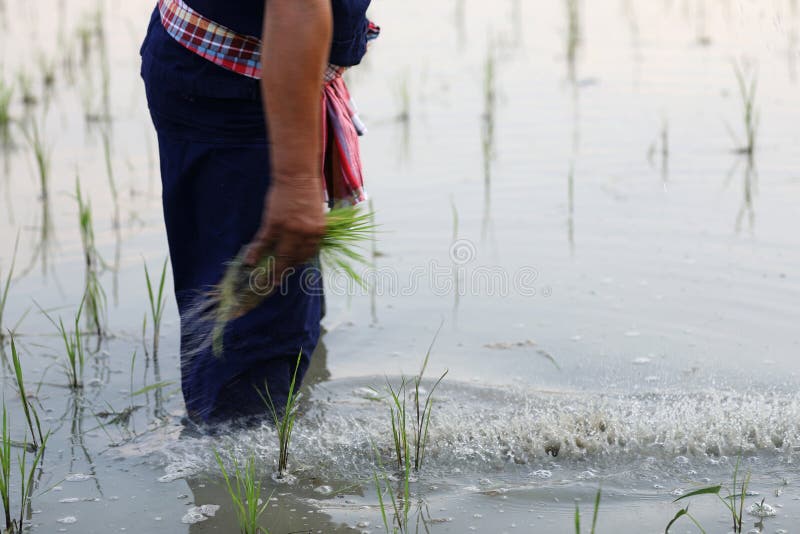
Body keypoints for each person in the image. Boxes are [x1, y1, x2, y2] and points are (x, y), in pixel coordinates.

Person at [140, 0, 376, 424]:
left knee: (284, 316)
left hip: (262, 75)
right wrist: (296, 181)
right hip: (234, 89)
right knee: (249, 377)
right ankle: (232, 482)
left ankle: (267, 468)